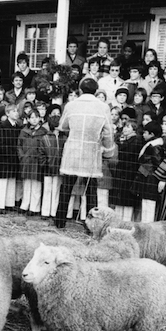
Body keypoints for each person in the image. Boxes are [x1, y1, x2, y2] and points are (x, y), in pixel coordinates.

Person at [54, 77, 116, 229]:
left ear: (80, 89)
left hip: (73, 151)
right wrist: (108, 150)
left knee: (66, 187)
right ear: (96, 91)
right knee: (91, 190)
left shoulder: (71, 105)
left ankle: (60, 222)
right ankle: (92, 226)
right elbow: (108, 132)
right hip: (91, 152)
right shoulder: (103, 107)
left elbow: (62, 126)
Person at [18, 109, 45, 214]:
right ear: (28, 119)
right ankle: (24, 205)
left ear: (40, 118)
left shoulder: (43, 132)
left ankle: (34, 207)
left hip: (37, 161)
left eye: (36, 117)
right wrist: (22, 157)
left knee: (36, 185)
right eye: (32, 117)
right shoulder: (24, 131)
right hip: (27, 160)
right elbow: (19, 145)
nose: (34, 120)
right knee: (27, 184)